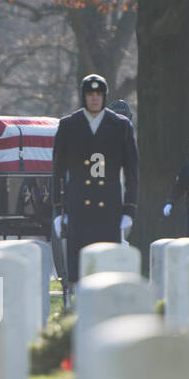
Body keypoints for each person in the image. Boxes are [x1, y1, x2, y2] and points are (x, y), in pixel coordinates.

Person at [51, 74, 138, 282]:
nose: (95, 98)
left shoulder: (120, 126)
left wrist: (129, 209)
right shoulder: (69, 125)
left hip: (109, 206)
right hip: (78, 205)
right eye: (90, 94)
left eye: (99, 94)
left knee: (107, 266)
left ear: (105, 96)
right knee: (78, 265)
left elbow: (132, 171)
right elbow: (58, 172)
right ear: (83, 96)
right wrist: (58, 209)